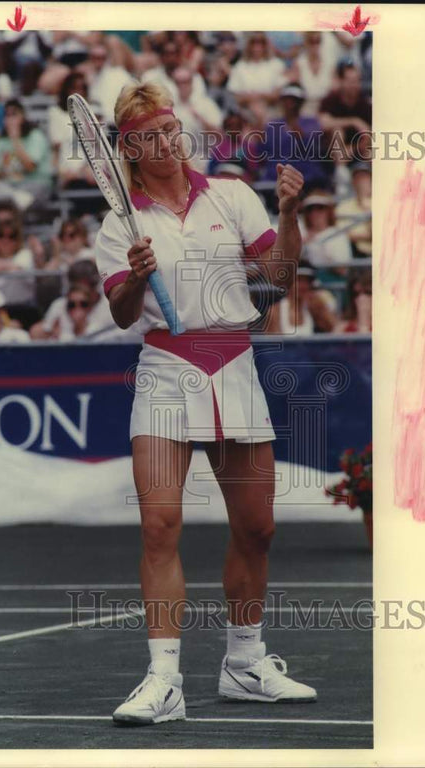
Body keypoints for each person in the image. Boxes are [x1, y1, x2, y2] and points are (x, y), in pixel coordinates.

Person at [95, 81, 316, 726]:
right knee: (160, 525)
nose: (164, 143)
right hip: (166, 369)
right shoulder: (119, 224)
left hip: (235, 366)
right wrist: (136, 279)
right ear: (128, 150)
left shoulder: (232, 194)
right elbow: (120, 314)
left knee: (258, 528)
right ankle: (164, 680)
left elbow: (278, 281)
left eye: (169, 130)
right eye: (147, 138)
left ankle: (245, 664)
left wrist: (290, 217)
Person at [256, 83, 331, 194]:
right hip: (275, 178)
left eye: (294, 100)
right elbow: (262, 153)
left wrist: (296, 129)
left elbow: (311, 149)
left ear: (301, 102)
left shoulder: (312, 123)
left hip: (307, 178)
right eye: (286, 99)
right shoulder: (271, 125)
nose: (290, 103)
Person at [171, 67, 223, 172]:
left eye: (185, 82)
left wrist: (200, 118)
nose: (182, 86)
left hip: (202, 158)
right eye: (179, 82)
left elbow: (220, 135)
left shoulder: (206, 104)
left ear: (191, 82)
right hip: (177, 158)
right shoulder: (171, 106)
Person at [265, 260, 338, 335]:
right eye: (299, 280)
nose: (303, 286)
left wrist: (321, 309)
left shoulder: (314, 306)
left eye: (307, 281)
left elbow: (337, 330)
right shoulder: (275, 311)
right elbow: (273, 344)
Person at [335, 161, 372, 258]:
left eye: (365, 177)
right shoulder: (342, 207)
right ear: (352, 181)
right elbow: (343, 235)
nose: (361, 181)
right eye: (358, 178)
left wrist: (366, 204)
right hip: (355, 253)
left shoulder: (383, 203)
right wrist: (369, 237)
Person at [335, 268, 372, 333]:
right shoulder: (343, 326)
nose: (361, 299)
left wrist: (364, 320)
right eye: (356, 294)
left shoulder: (388, 323)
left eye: (367, 293)